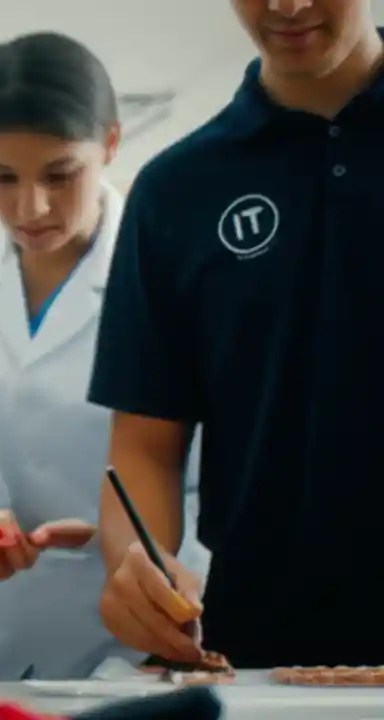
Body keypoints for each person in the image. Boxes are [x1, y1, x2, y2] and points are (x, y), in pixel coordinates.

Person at [90, 0, 384, 668]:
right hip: (259, 653)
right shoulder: (176, 191)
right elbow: (143, 445)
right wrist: (140, 564)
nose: (285, 5)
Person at [0, 32, 211, 681]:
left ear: (109, 143)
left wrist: (159, 575)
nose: (32, 207)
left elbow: (198, 472)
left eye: (60, 174)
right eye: (1, 177)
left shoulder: (169, 272)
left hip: (141, 624)